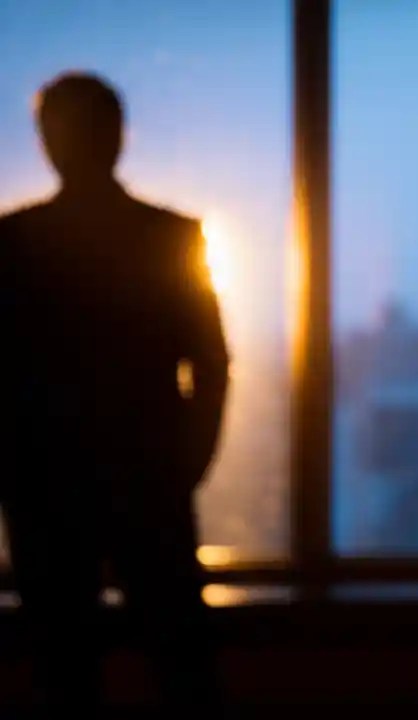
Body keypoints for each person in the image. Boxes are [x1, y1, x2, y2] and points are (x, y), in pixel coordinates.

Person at [0, 72, 229, 714]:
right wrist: (189, 461)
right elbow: (211, 361)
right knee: (180, 666)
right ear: (119, 136)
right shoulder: (168, 235)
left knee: (63, 670)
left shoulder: (11, 243)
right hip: (146, 479)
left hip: (43, 486)